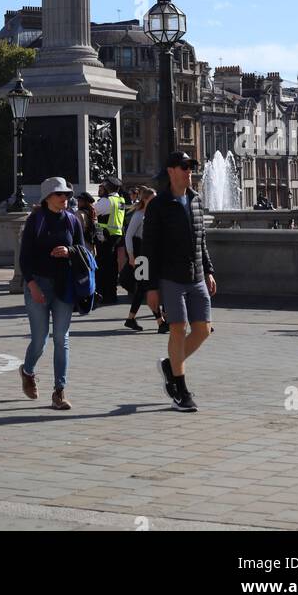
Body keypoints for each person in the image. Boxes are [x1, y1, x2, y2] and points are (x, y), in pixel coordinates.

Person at [142, 152, 216, 412]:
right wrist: (150, 287)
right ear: (171, 171)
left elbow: (201, 239)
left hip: (195, 275)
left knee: (203, 329)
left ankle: (169, 365)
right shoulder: (158, 205)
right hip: (170, 277)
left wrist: (208, 270)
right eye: (184, 167)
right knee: (178, 328)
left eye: (191, 167)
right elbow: (148, 249)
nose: (189, 171)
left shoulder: (195, 200)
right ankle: (181, 391)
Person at [18, 177, 86, 410]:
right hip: (38, 284)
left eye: (66, 194)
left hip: (64, 285)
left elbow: (83, 250)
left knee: (62, 338)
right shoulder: (35, 221)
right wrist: (32, 285)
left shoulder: (72, 221)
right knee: (40, 340)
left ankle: (59, 391)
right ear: (47, 197)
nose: (65, 198)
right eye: (60, 194)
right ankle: (27, 371)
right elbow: (24, 258)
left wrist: (69, 251)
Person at [123, 187, 168, 333]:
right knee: (147, 287)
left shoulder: (152, 214)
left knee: (143, 288)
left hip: (149, 255)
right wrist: (130, 255)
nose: (156, 201)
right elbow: (128, 236)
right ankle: (161, 322)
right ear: (145, 199)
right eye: (153, 198)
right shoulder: (139, 215)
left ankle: (131, 319)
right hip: (140, 256)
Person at [95, 178, 126, 304]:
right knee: (112, 267)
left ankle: (103, 294)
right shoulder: (120, 200)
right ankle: (112, 294)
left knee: (103, 267)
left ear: (108, 188)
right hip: (116, 236)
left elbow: (94, 211)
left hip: (105, 237)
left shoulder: (106, 201)